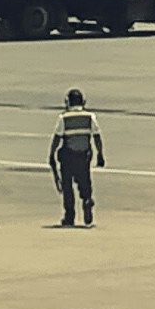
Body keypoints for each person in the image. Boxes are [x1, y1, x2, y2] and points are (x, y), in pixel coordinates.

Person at [49, 87, 105, 227]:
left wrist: (51, 154)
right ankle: (87, 200)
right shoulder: (90, 117)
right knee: (84, 182)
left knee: (67, 187)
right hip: (83, 157)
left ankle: (70, 216)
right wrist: (100, 154)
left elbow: (57, 138)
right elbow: (96, 136)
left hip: (68, 157)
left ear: (68, 102)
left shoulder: (64, 118)